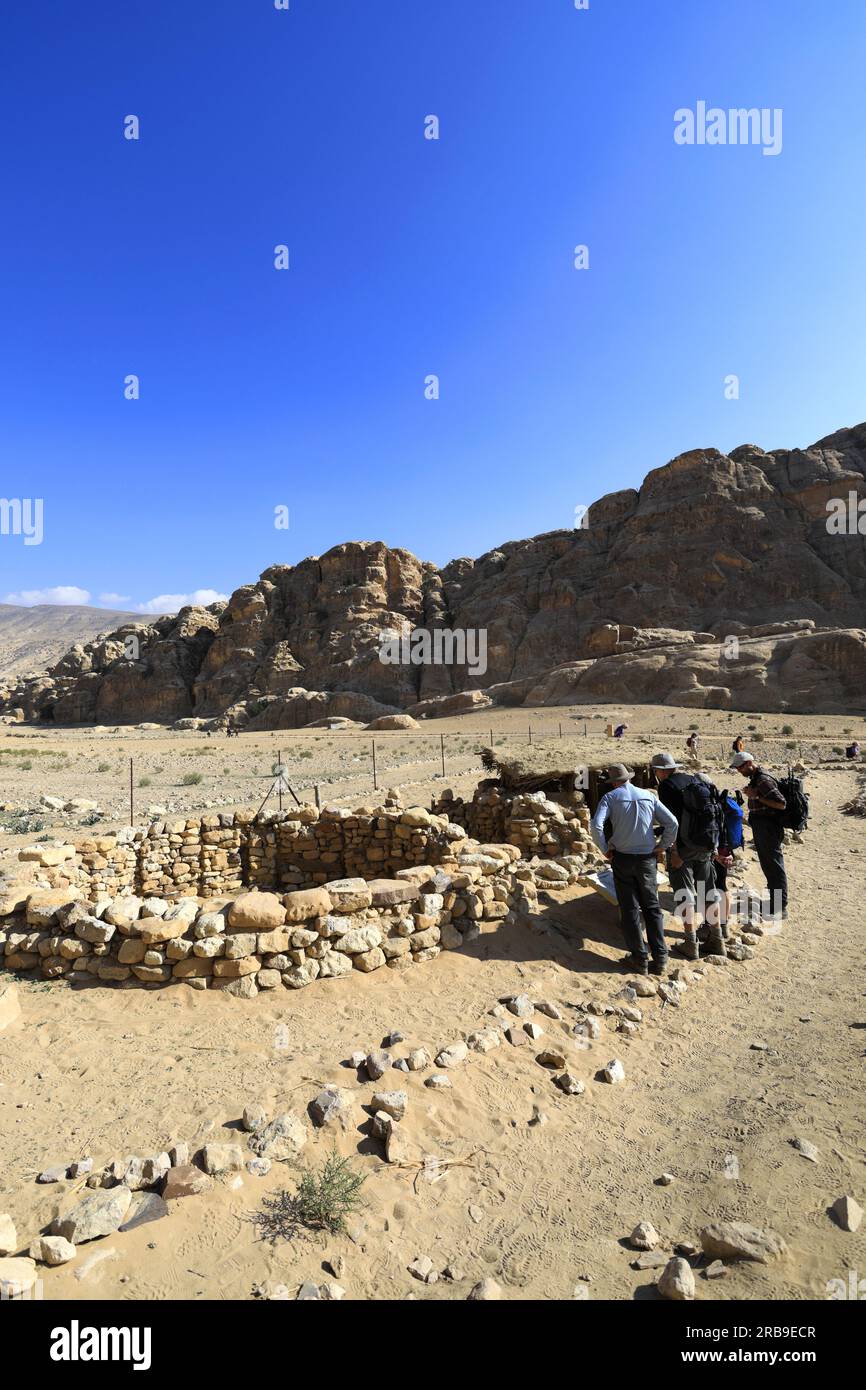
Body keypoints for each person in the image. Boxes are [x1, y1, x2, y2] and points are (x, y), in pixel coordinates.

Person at [590, 763, 679, 977]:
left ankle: (639, 959)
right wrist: (663, 845)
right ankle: (661, 957)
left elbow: (596, 825)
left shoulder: (610, 798)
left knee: (629, 908)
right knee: (652, 907)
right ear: (629, 778)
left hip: (622, 858)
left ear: (613, 782)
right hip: (647, 858)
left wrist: (604, 849)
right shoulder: (648, 796)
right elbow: (672, 822)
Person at [650, 751, 724, 960]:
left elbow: (672, 822)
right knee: (708, 892)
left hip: (683, 847)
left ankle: (691, 944)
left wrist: (674, 851)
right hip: (706, 844)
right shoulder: (693, 780)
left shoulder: (667, 786)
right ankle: (716, 940)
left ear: (661, 771)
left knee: (685, 895)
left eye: (655, 770)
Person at [729, 751, 788, 920]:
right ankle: (774, 902)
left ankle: (780, 907)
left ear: (749, 763)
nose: (739, 771)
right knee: (768, 865)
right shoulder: (757, 779)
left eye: (740, 767)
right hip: (763, 826)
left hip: (768, 827)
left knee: (774, 866)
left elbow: (781, 803)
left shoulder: (763, 780)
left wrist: (757, 797)